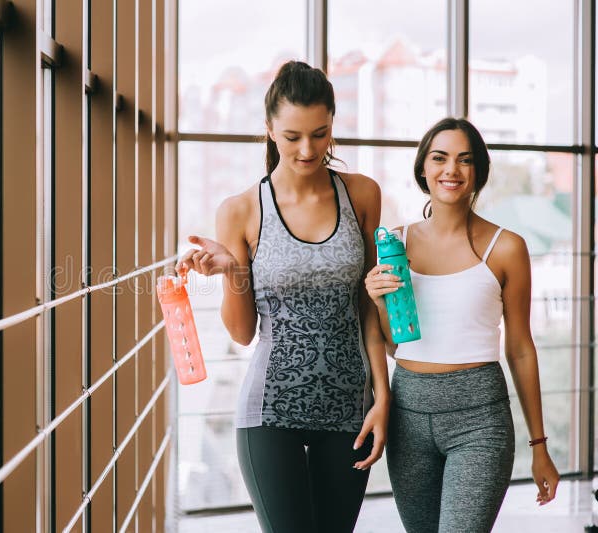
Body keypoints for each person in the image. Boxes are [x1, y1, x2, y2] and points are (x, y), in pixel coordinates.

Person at [178, 60, 390, 533]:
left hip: (349, 409)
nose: (308, 149)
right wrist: (233, 271)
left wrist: (382, 396)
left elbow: (368, 306)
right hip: (270, 413)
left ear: (333, 124)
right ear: (270, 129)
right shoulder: (240, 209)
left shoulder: (362, 194)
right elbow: (242, 332)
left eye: (320, 134)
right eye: (293, 136)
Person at [364, 117, 560, 533]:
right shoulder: (394, 243)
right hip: (408, 416)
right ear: (423, 167)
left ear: (478, 172)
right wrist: (379, 301)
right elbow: (395, 345)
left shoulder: (507, 248)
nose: (451, 170)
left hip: (479, 420)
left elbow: (520, 348)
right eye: (439, 158)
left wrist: (540, 446)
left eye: (464, 160)